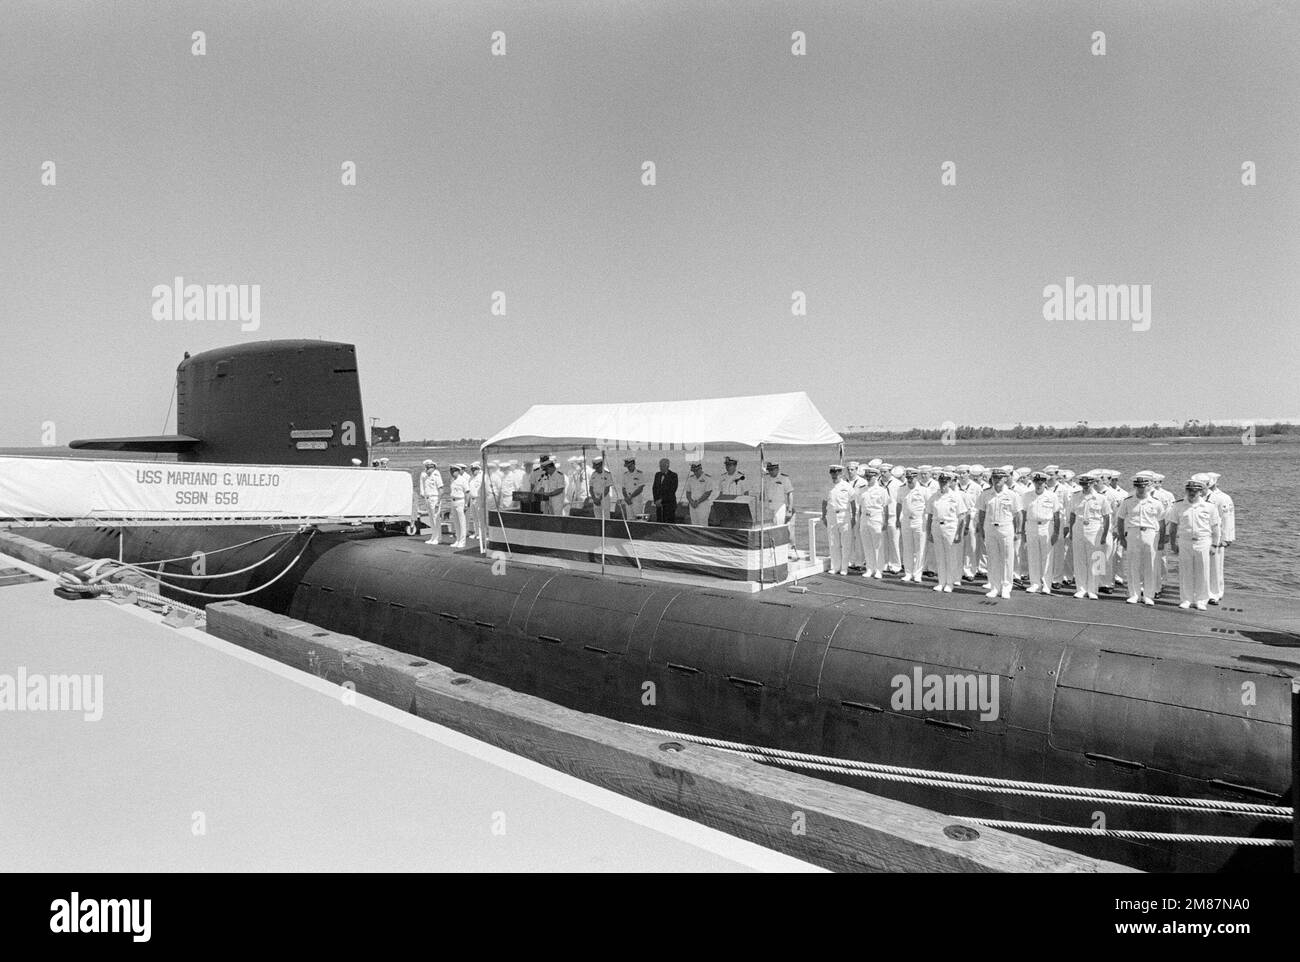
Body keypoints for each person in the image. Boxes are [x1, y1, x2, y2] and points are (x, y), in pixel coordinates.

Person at [1163, 477, 1222, 610]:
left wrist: (1214, 545)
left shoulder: (1209, 507)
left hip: (1203, 542)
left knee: (1203, 572)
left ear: (1201, 492)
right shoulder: (1178, 506)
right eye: (1189, 490)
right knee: (1185, 572)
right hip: (1185, 542)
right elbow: (1172, 527)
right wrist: (1173, 544)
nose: (1192, 493)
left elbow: (1216, 528)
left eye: (1195, 490)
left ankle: (1201, 600)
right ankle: (1186, 599)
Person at [1115, 473, 1163, 605]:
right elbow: (1120, 520)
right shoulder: (1128, 501)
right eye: (1138, 486)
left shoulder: (1156, 503)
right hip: (1133, 534)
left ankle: (1148, 595)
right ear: (1135, 487)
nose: (1141, 489)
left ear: (1149, 486)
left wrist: (1162, 540)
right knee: (1133, 565)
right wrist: (1121, 538)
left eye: (1143, 486)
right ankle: (1134, 594)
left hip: (1150, 534)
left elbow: (1161, 521)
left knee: (1150, 565)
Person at [976, 467, 1019, 598]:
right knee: (992, 558)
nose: (997, 481)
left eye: (1000, 478)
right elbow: (982, 512)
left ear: (1005, 479)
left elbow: (1017, 514)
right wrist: (982, 528)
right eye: (995, 478)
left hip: (1005, 528)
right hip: (990, 528)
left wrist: (1018, 531)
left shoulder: (1012, 495)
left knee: (1007, 558)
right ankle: (994, 586)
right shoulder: (985, 494)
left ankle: (1006, 587)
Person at [1066, 472, 1109, 599]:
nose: (1085, 486)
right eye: (1083, 483)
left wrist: (1104, 535)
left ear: (1093, 483)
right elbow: (1072, 515)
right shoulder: (1075, 496)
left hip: (1094, 529)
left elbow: (1107, 517)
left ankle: (1093, 589)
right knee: (1079, 560)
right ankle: (1081, 588)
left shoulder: (1101, 498)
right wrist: (1071, 532)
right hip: (1078, 528)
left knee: (1096, 560)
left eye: (1088, 483)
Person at [1019, 471, 1061, 594]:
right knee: (1033, 557)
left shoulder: (1052, 496)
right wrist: (1023, 532)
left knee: (1047, 557)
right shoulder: (1027, 496)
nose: (1039, 484)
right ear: (1033, 482)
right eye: (1036, 482)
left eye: (1041, 482)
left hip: (1046, 527)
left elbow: (1057, 515)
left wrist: (1056, 533)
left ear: (1045, 482)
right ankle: (1035, 583)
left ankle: (1047, 585)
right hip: (1031, 526)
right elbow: (1024, 514)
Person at [925, 471, 967, 592]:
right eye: (941, 481)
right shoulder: (934, 496)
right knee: (939, 555)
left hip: (950, 527)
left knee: (950, 556)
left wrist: (959, 533)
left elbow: (962, 516)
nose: (943, 483)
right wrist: (929, 532)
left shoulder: (956, 496)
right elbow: (930, 515)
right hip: (937, 526)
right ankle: (941, 581)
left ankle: (950, 582)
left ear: (950, 482)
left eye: (946, 481)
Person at [1204, 472, 1235, 605]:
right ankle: (1203, 591)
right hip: (1202, 536)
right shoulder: (1197, 496)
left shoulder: (1223, 498)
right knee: (1202, 565)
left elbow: (1227, 519)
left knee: (1216, 566)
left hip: (1216, 536)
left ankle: (1215, 593)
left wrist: (1226, 538)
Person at [856, 465, 891, 578]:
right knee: (867, 545)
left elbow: (885, 507)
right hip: (864, 519)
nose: (868, 479)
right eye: (867, 477)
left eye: (870, 477)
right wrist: (859, 520)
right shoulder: (862, 490)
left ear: (876, 477)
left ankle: (879, 570)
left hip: (876, 519)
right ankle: (870, 569)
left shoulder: (882, 490)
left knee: (878, 546)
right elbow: (860, 507)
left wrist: (885, 522)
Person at [897, 467, 930, 583]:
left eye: (912, 477)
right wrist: (897, 519)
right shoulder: (902, 489)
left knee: (920, 549)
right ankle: (908, 572)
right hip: (906, 521)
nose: (910, 479)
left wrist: (927, 522)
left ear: (917, 477)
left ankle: (917, 574)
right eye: (908, 477)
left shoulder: (924, 490)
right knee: (907, 548)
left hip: (919, 521)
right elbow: (899, 505)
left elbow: (928, 507)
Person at [822, 465, 854, 576]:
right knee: (833, 543)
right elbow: (824, 502)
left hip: (844, 516)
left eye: (836, 473)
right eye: (832, 472)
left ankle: (844, 567)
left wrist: (853, 517)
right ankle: (835, 567)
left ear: (840, 473)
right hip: (831, 516)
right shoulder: (828, 486)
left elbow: (853, 502)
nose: (834, 475)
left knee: (845, 543)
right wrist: (823, 516)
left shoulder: (847, 486)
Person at [761, 461, 794, 526]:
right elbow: (762, 493)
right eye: (769, 470)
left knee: (778, 527)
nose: (770, 472)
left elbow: (790, 494)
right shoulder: (766, 478)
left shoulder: (784, 478)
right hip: (768, 507)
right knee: (767, 528)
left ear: (777, 469)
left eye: (772, 470)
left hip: (779, 506)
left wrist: (789, 510)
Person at [419, 460, 444, 544]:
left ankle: (438, 538)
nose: (427, 469)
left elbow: (441, 490)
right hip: (428, 498)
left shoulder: (436, 475)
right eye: (426, 467)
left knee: (436, 519)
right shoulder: (425, 475)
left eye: (429, 467)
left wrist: (438, 501)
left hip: (435, 498)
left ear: (433, 467)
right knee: (431, 519)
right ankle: (433, 536)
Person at [684, 460, 715, 526]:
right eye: (694, 471)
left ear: (700, 469)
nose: (695, 473)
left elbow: (708, 493)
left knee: (702, 523)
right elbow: (688, 493)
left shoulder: (707, 478)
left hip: (703, 504)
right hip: (692, 504)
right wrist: (691, 501)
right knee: (694, 523)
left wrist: (698, 501)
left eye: (696, 471)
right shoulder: (691, 479)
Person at [448, 464, 469, 548]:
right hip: (453, 501)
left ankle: (462, 541)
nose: (452, 473)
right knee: (456, 522)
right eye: (451, 471)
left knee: (462, 522)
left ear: (458, 471)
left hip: (460, 501)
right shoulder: (452, 480)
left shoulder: (463, 480)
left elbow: (467, 492)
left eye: (454, 471)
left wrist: (466, 504)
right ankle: (457, 540)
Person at [653, 458, 680, 523]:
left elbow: (672, 490)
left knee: (669, 524)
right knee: (659, 523)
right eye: (660, 466)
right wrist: (656, 500)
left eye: (662, 466)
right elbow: (654, 488)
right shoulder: (657, 475)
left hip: (669, 505)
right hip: (659, 505)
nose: (661, 467)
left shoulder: (673, 475)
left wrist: (662, 500)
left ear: (667, 466)